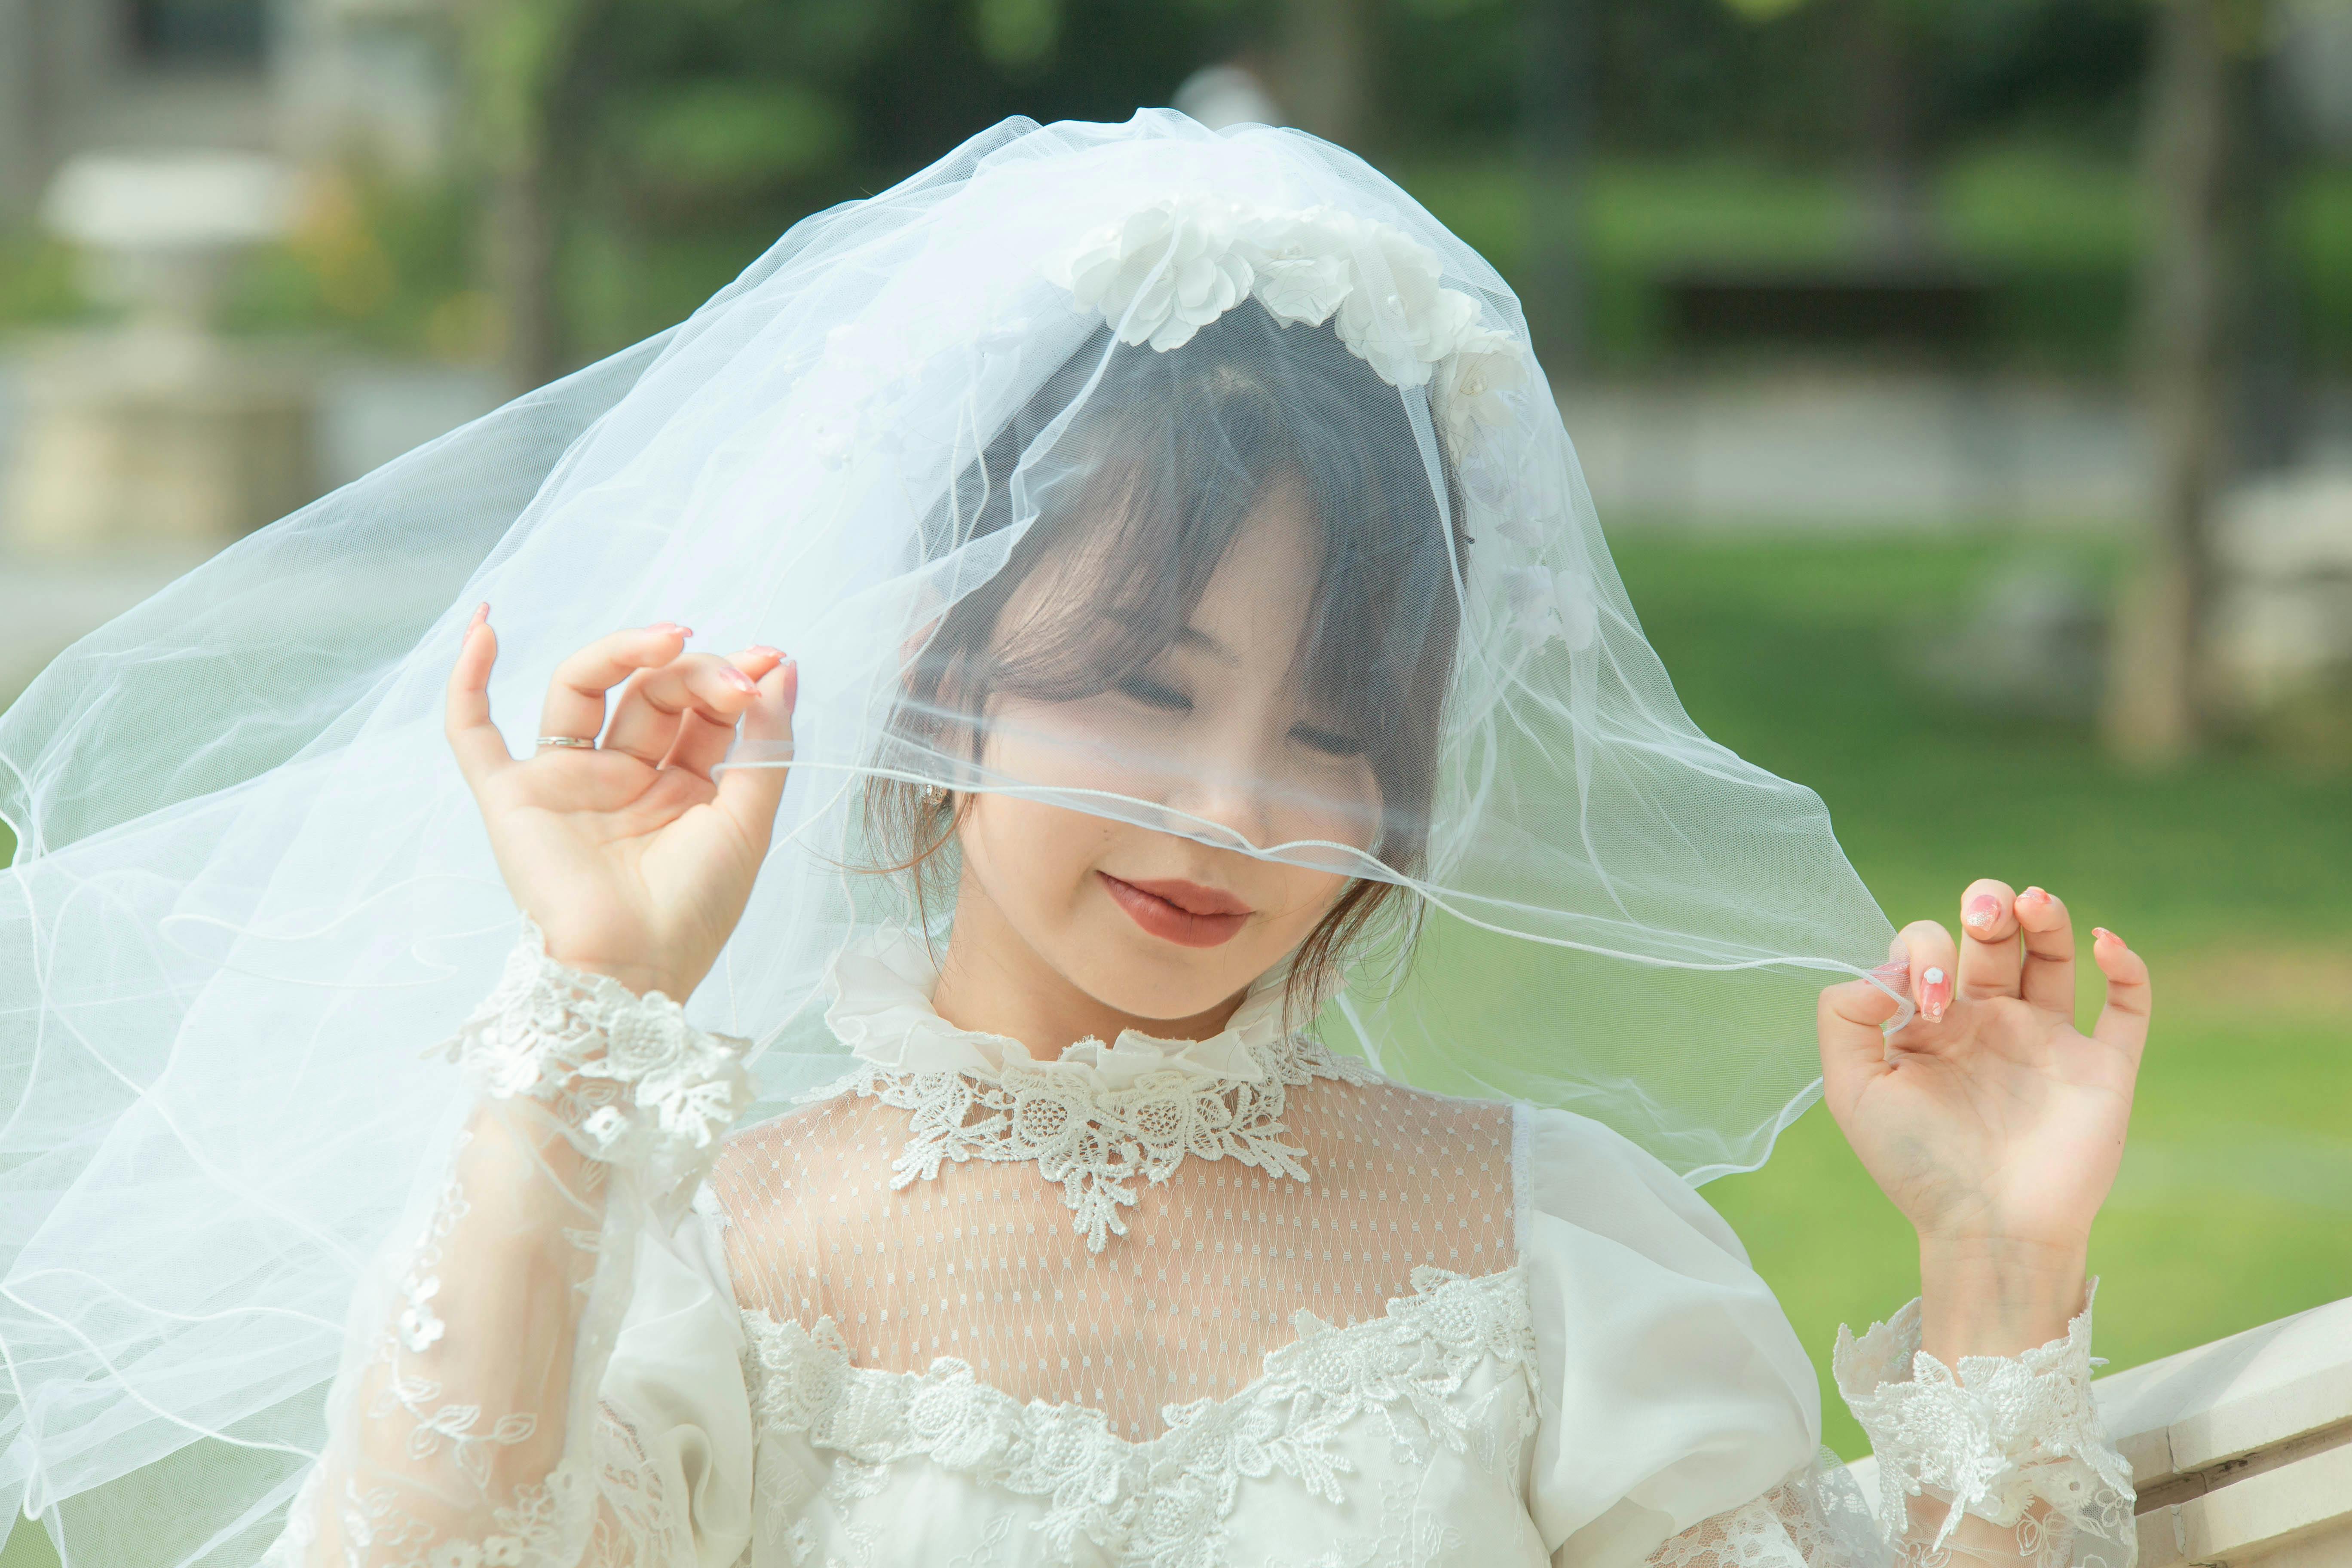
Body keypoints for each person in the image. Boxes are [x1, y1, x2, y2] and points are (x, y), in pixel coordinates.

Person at [0, 114, 2147, 1568]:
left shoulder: (1556, 1252)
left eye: (1328, 729)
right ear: (933, 655)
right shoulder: (715, 1263)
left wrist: (1998, 1255)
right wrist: (594, 1001)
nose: (1227, 812)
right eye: (1136, 682)